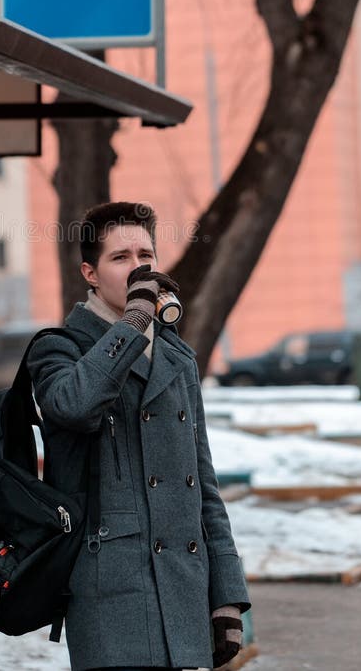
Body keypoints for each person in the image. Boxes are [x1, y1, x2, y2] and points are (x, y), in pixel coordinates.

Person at [28, 202, 250, 671]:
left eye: (145, 256)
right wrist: (133, 322)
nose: (138, 269)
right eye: (121, 258)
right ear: (90, 272)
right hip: (111, 595)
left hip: (183, 592)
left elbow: (203, 484)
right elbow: (76, 404)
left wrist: (227, 597)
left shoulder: (178, 359)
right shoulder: (57, 348)